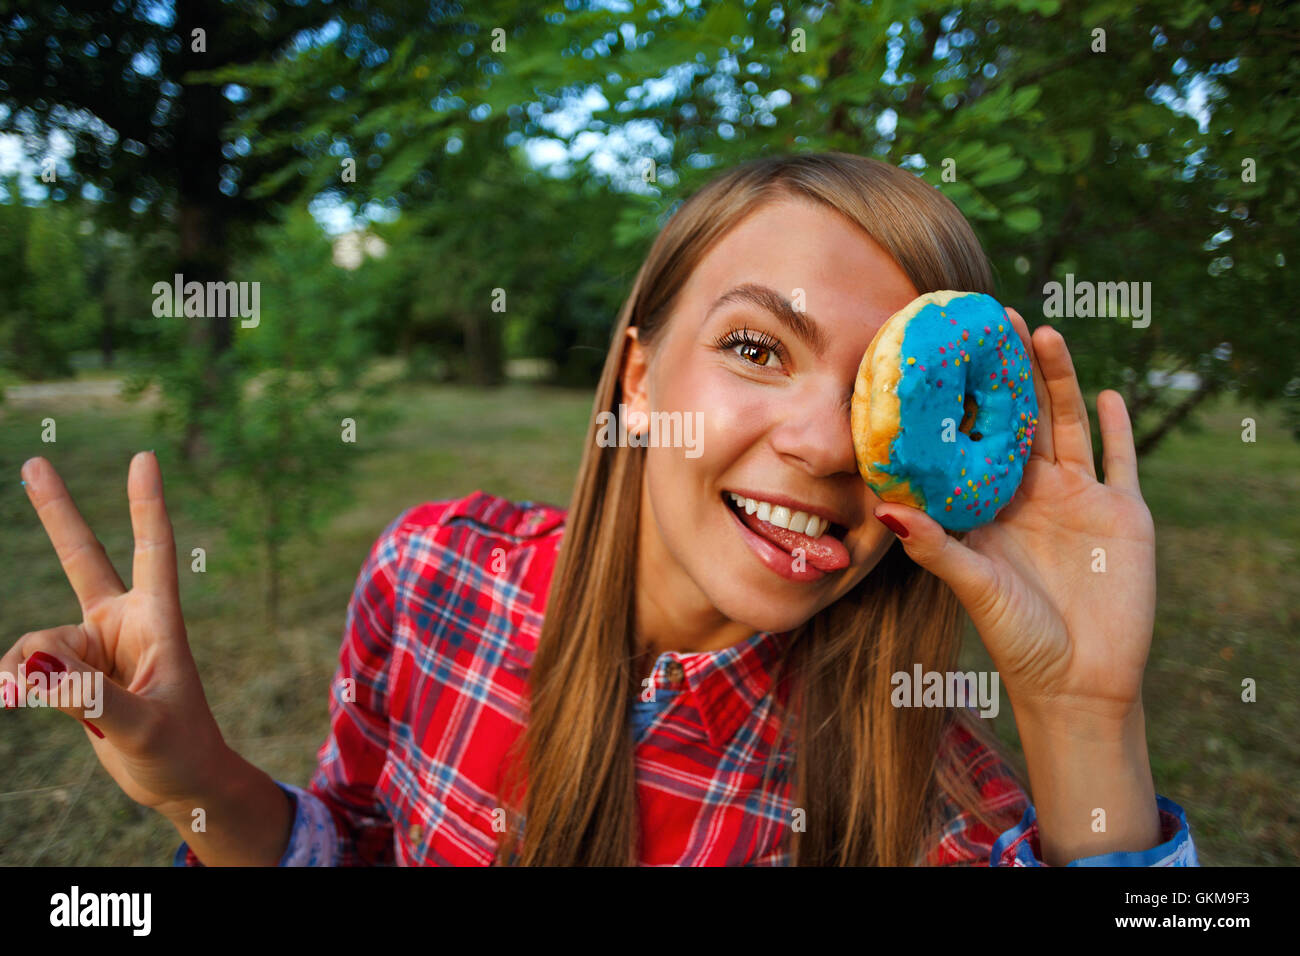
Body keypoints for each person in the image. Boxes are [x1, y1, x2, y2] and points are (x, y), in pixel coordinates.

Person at [6, 152, 1196, 866]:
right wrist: (202, 783)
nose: (828, 442)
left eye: (880, 394)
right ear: (637, 377)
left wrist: (1086, 716)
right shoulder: (435, 576)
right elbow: (360, 841)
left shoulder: (927, 798)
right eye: (757, 347)